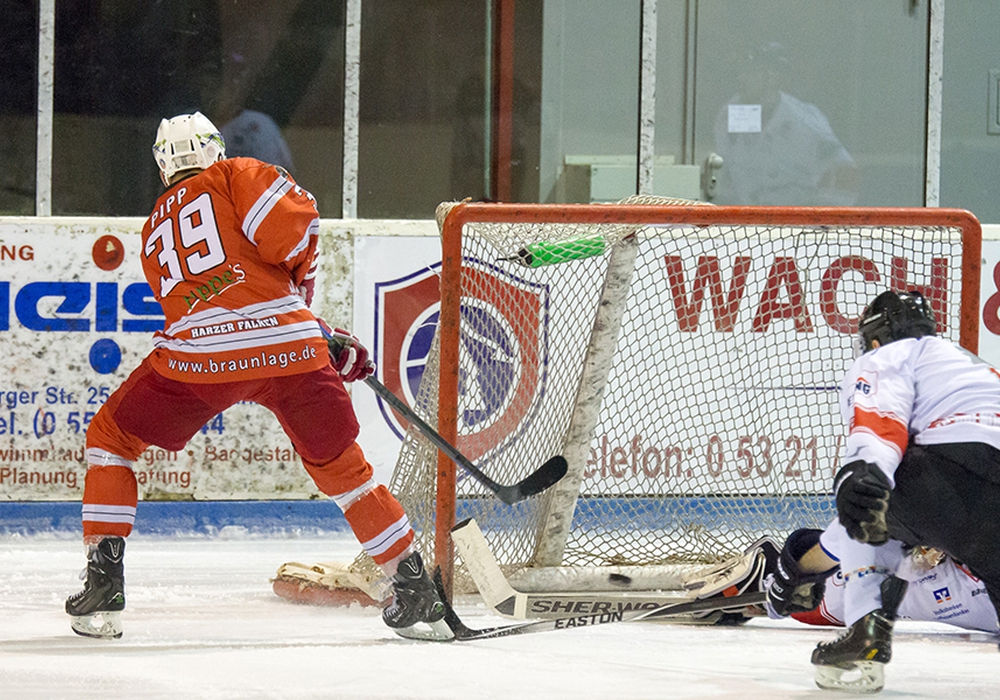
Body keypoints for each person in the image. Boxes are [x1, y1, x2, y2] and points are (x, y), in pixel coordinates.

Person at [64, 112, 450, 641]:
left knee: (110, 439)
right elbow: (296, 230)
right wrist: (311, 330)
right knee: (344, 471)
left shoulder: (155, 224)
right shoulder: (236, 173)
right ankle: (415, 588)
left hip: (202, 356)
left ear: (162, 165)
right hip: (292, 351)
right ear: (213, 147)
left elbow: (213, 304)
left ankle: (103, 579)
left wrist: (307, 327)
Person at [763, 290, 1000, 691]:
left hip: (956, 482)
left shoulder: (886, 355)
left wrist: (863, 472)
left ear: (874, 339)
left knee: (863, 496)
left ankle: (865, 630)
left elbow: (879, 425)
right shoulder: (975, 367)